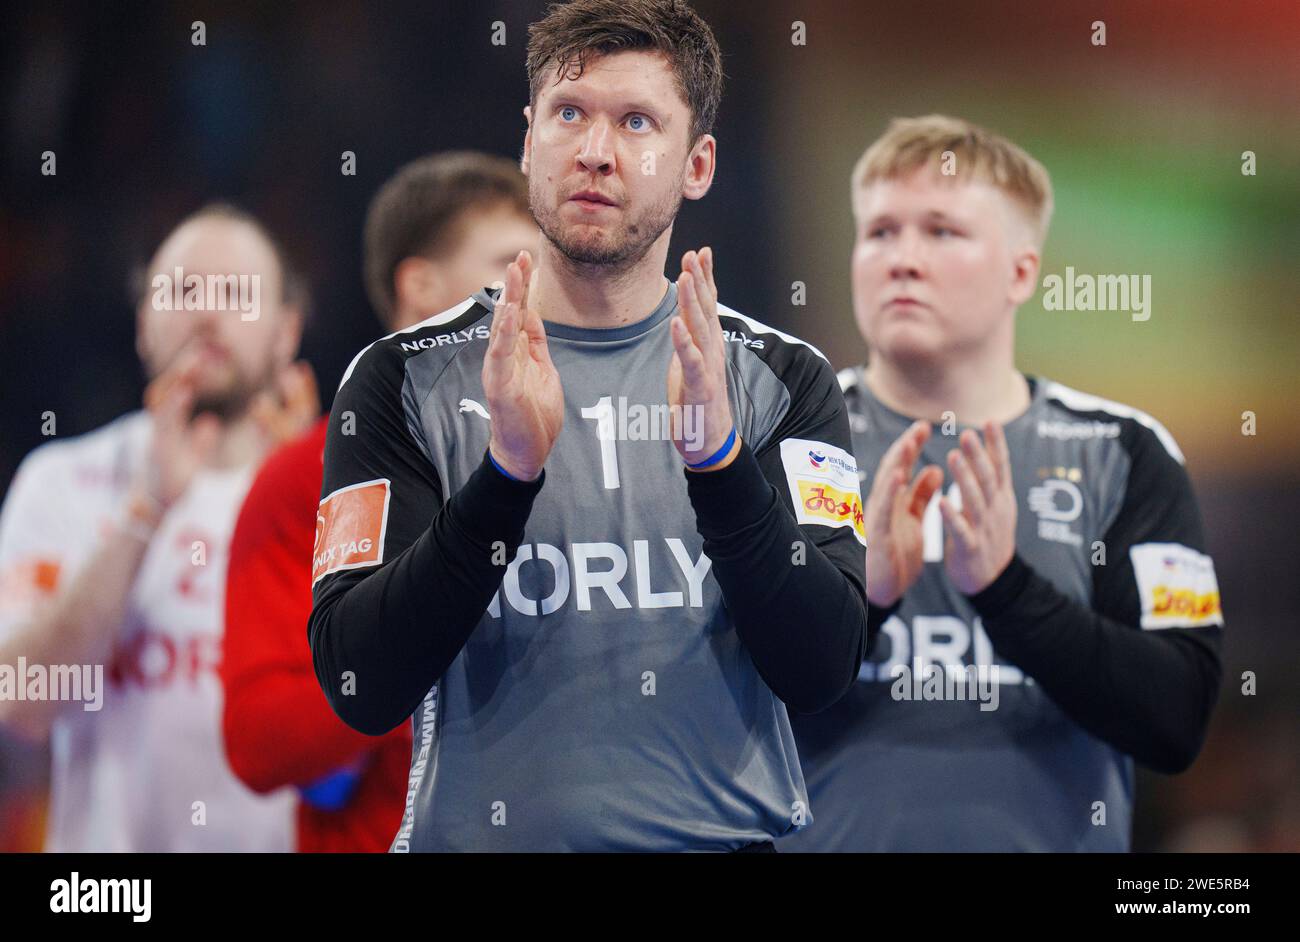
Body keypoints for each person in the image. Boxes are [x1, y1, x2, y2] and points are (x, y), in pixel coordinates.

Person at [308, 0, 869, 852]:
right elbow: (357, 684)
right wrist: (505, 476)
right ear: (529, 141)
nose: (596, 151)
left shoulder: (781, 379)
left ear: (698, 163)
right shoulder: (400, 376)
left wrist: (720, 466)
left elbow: (824, 667)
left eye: (637, 121)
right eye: (570, 114)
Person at [786, 115, 1224, 852]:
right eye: (880, 231)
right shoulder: (789, 437)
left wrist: (1005, 589)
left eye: (942, 231)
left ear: (1022, 271)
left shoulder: (1122, 452)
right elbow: (718, 696)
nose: (902, 259)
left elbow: (1177, 721)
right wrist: (869, 596)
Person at [221, 151, 537, 852]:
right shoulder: (304, 478)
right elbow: (259, 739)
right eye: (513, 262)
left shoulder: (591, 447)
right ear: (421, 286)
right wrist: (421, 653)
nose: (539, 289)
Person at [0, 204, 310, 850]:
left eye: (239, 294)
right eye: (182, 290)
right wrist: (146, 514)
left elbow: (364, 737)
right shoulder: (63, 479)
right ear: (143, 324)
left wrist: (307, 503)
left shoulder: (333, 498)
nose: (207, 314)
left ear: (286, 331)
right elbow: (22, 704)